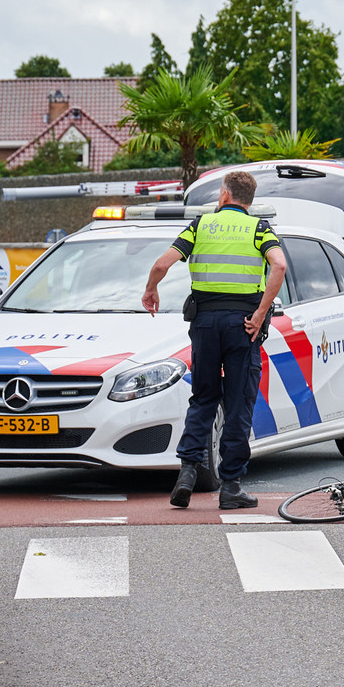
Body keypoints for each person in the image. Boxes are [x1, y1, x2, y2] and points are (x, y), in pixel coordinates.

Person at [142, 170, 287, 510]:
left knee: (204, 398)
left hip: (205, 324)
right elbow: (278, 266)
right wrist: (262, 312)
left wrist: (150, 290)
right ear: (248, 201)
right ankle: (231, 485)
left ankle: (188, 474)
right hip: (243, 325)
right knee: (238, 403)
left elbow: (163, 263)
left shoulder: (200, 225)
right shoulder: (260, 228)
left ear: (224, 194)